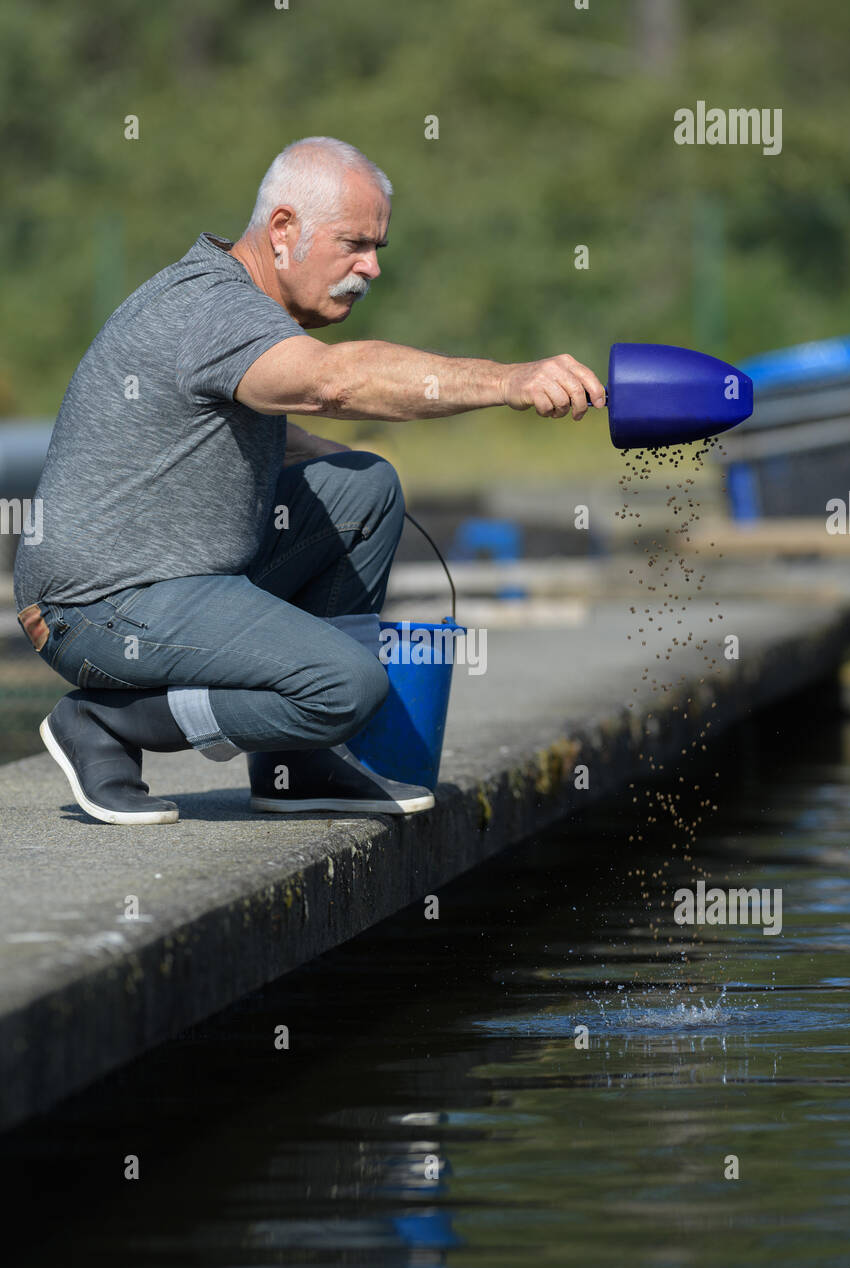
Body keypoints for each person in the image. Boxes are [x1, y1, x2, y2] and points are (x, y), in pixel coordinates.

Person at [13, 136, 605, 826]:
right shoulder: (216, 309)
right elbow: (333, 382)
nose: (372, 268)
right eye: (355, 244)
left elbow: (230, 426)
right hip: (95, 608)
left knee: (362, 487)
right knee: (346, 684)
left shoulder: (241, 308)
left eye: (379, 247)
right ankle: (111, 723)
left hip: (182, 578)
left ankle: (294, 763)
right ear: (284, 229)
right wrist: (508, 381)